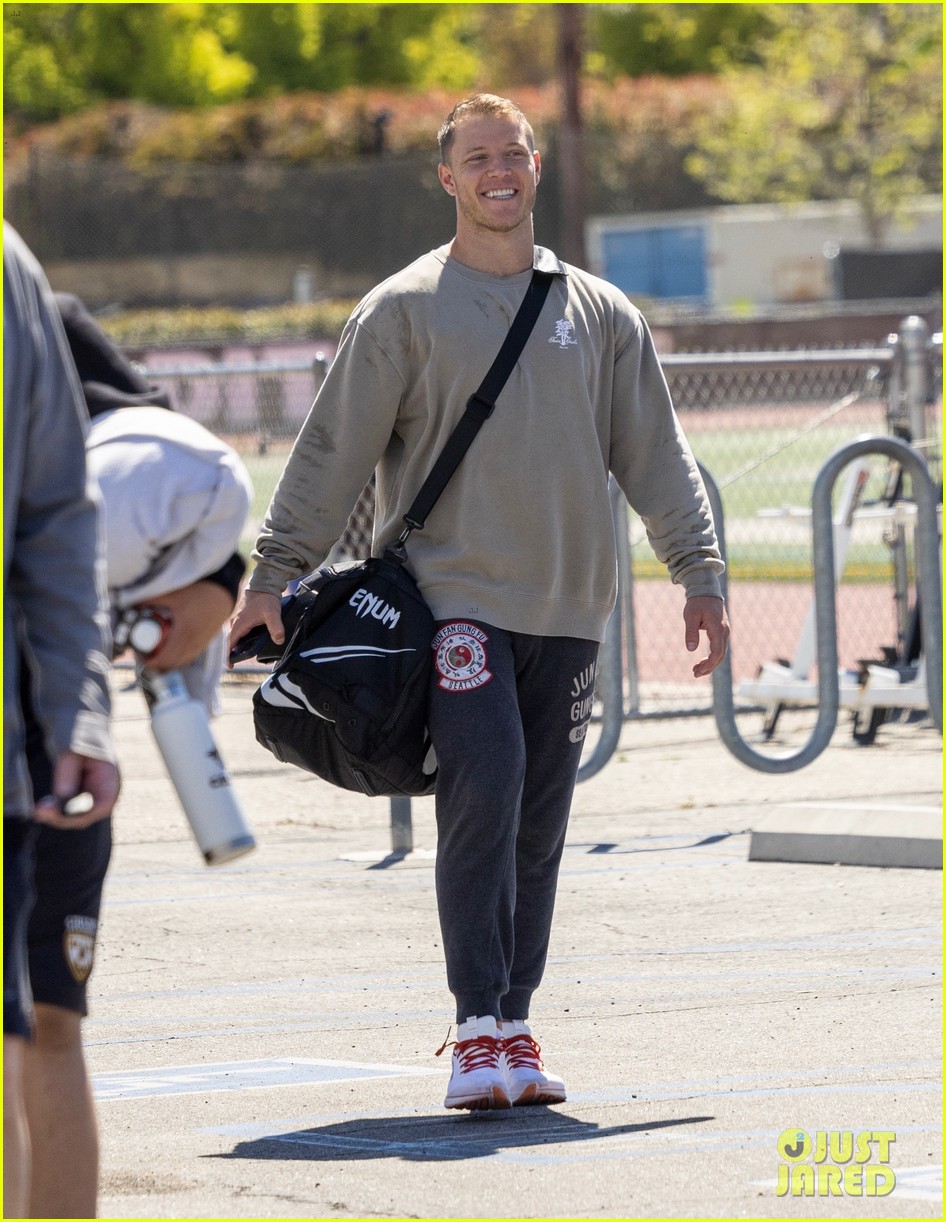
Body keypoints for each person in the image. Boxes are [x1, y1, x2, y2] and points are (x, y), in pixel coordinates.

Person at [229, 94, 730, 1112]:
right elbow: (334, 450)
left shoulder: (600, 313)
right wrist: (272, 572)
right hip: (451, 599)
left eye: (513, 152)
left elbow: (656, 456)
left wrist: (700, 573)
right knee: (486, 785)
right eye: (476, 157)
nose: (498, 170)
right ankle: (472, 1027)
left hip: (570, 607)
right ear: (447, 179)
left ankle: (515, 1020)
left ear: (535, 167)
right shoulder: (404, 308)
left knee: (541, 815)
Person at [13, 293, 254, 1218]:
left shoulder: (26, 295)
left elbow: (152, 453)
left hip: (48, 732)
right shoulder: (31, 287)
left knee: (40, 1030)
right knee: (45, 1030)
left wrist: (218, 580)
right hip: (62, 724)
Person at [3, 223, 121, 1218]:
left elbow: (54, 512)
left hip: (23, 746)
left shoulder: (6, 271)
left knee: (40, 1029)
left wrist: (80, 706)